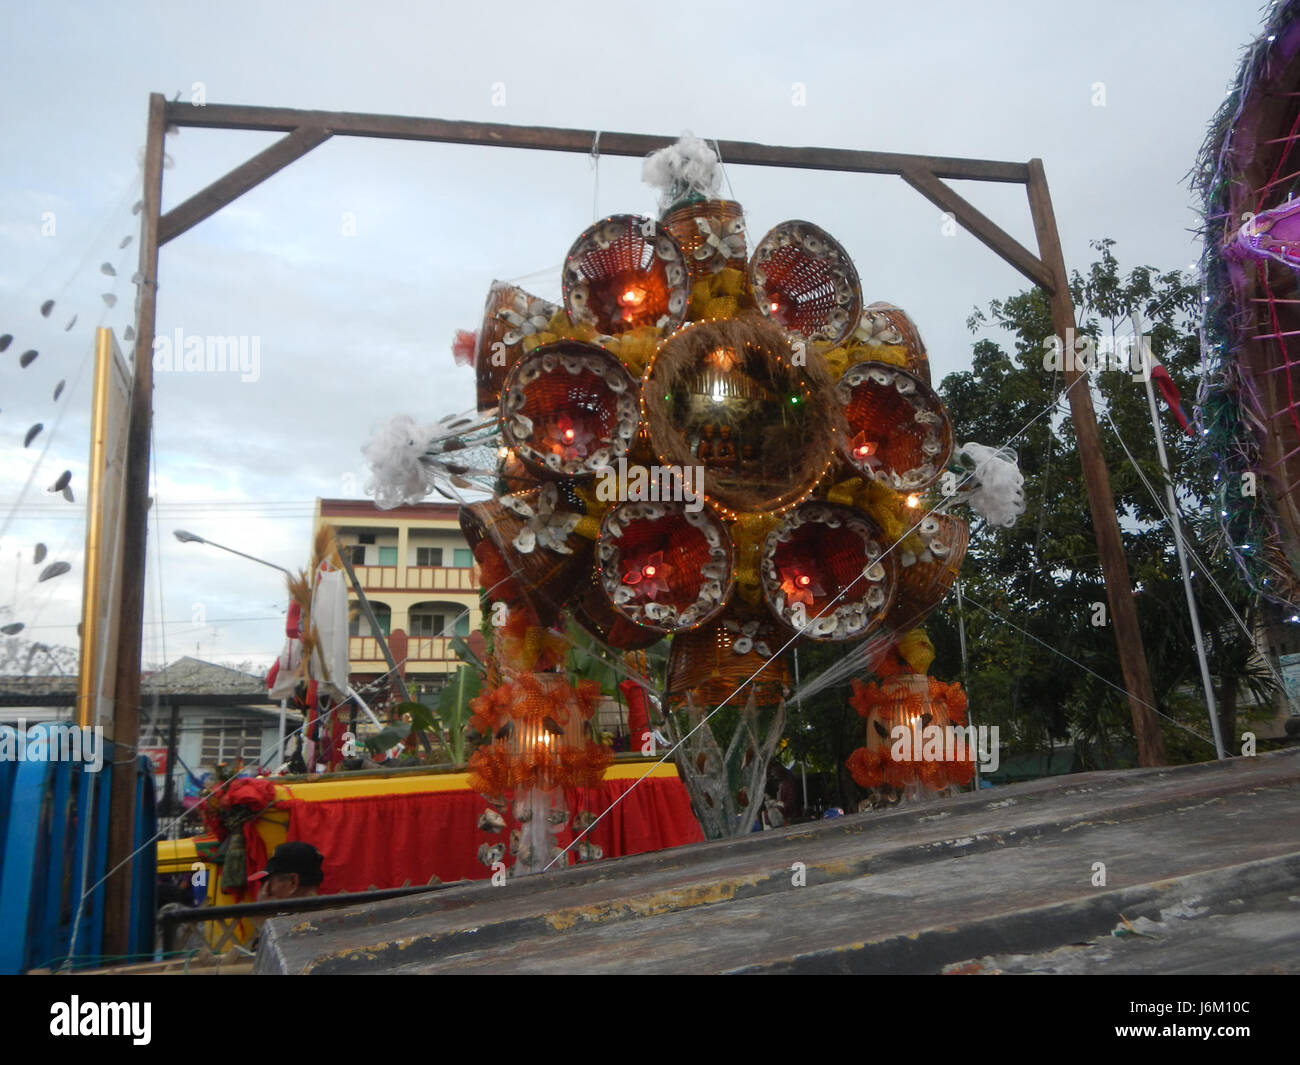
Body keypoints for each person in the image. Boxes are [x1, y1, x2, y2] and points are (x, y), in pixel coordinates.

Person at [248, 841, 325, 900]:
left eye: (268, 882)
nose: (263, 892)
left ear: (293, 882)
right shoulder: (327, 911)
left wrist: (264, 910)